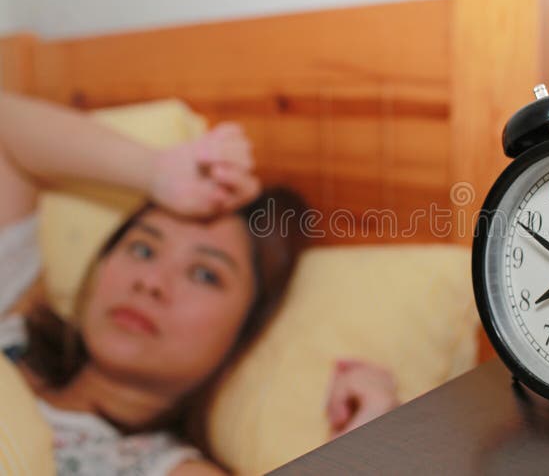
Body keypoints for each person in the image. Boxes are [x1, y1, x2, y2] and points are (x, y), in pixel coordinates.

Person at [0, 92, 399, 475]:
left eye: (205, 275)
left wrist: (367, 449)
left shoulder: (167, 469)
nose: (152, 282)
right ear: (102, 261)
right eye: (141, 249)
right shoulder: (15, 332)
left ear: (245, 327)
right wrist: (155, 172)